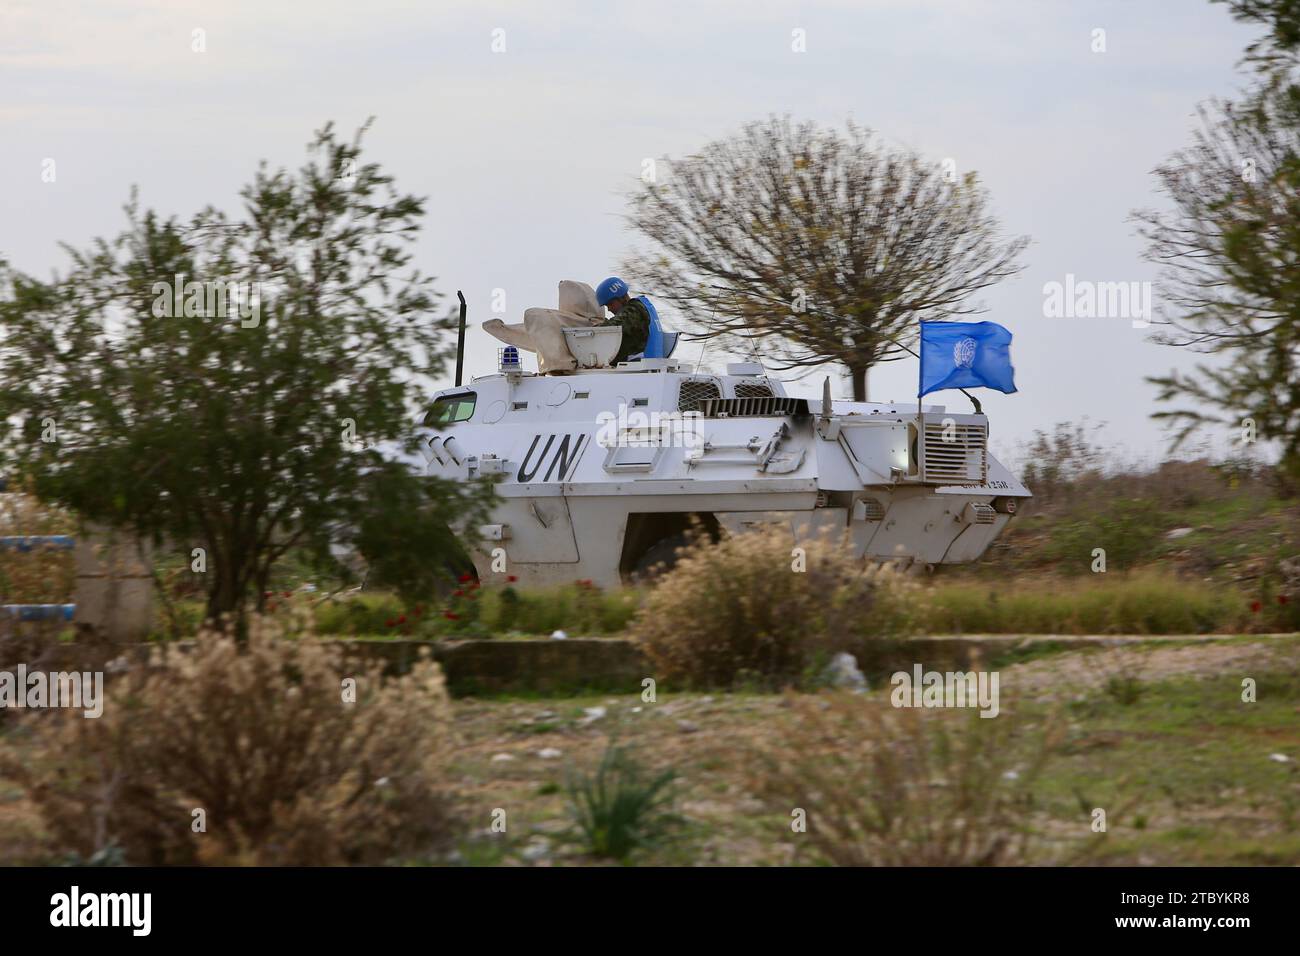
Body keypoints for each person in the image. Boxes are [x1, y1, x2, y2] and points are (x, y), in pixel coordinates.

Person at [595, 277, 652, 365]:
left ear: (621, 298)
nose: (609, 309)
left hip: (632, 365)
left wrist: (593, 327)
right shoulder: (636, 309)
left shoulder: (634, 310)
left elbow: (612, 327)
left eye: (610, 304)